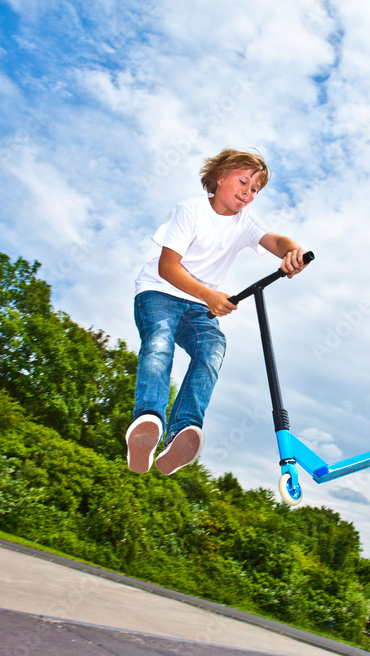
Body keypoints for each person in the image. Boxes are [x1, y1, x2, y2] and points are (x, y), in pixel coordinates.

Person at [126, 148, 305, 475]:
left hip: (197, 307)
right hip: (159, 292)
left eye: (255, 190)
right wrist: (209, 295)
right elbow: (168, 267)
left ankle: (183, 430)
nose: (248, 193)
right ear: (220, 177)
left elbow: (275, 240)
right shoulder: (191, 210)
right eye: (243, 181)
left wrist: (293, 251)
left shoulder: (245, 222)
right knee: (159, 343)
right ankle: (147, 421)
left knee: (212, 349)